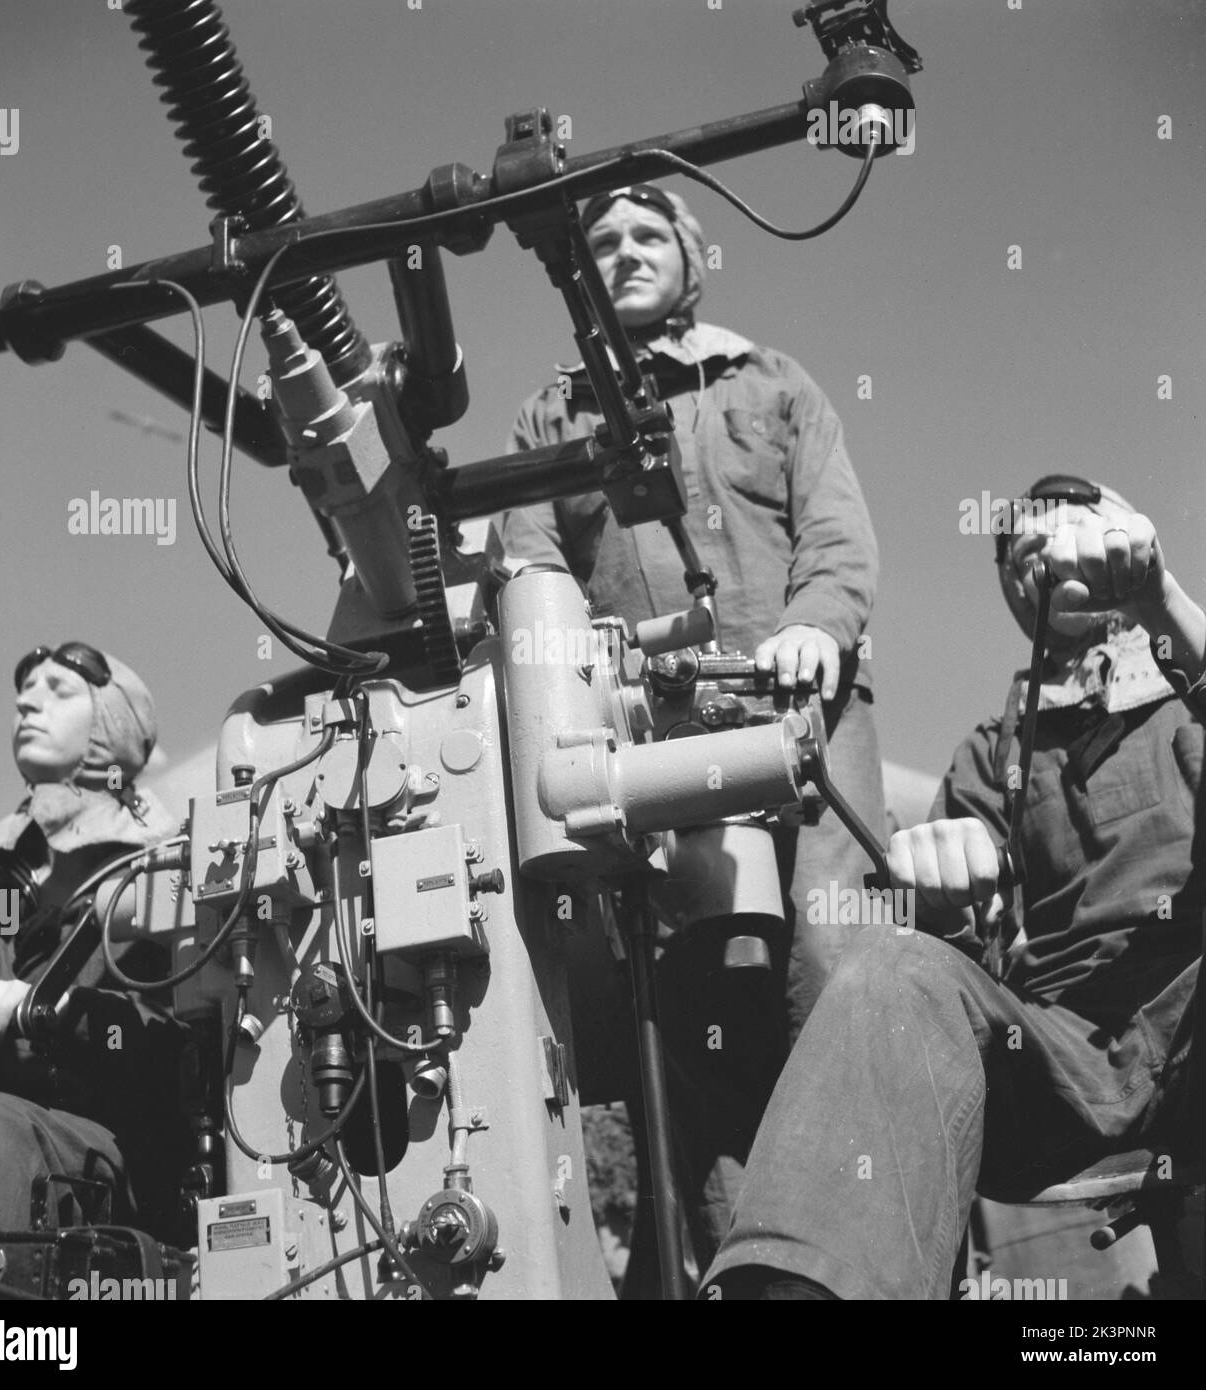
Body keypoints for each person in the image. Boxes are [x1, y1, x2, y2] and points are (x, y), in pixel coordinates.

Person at [497, 184, 887, 1278]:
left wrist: (814, 629)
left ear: (692, 252)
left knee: (837, 976)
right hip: (653, 743)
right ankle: (743, 1276)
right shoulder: (553, 412)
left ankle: (871, 1267)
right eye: (601, 244)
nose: (621, 255)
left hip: (804, 716)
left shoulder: (773, 382)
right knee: (702, 1004)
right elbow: (529, 570)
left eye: (643, 236)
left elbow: (839, 536)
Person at [702, 478, 1206, 1299]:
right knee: (890, 973)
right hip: (1059, 1060)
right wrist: (940, 904)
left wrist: (1163, 598)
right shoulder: (989, 755)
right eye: (1020, 552)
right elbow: (963, 951)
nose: (1041, 557)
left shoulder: (1186, 677)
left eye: (1069, 529)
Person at [0, 642, 188, 1262]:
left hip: (118, 1157)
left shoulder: (173, 866)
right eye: (25, 690)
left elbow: (193, 1047)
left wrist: (60, 1012)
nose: (25, 701)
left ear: (112, 722)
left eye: (58, 690)